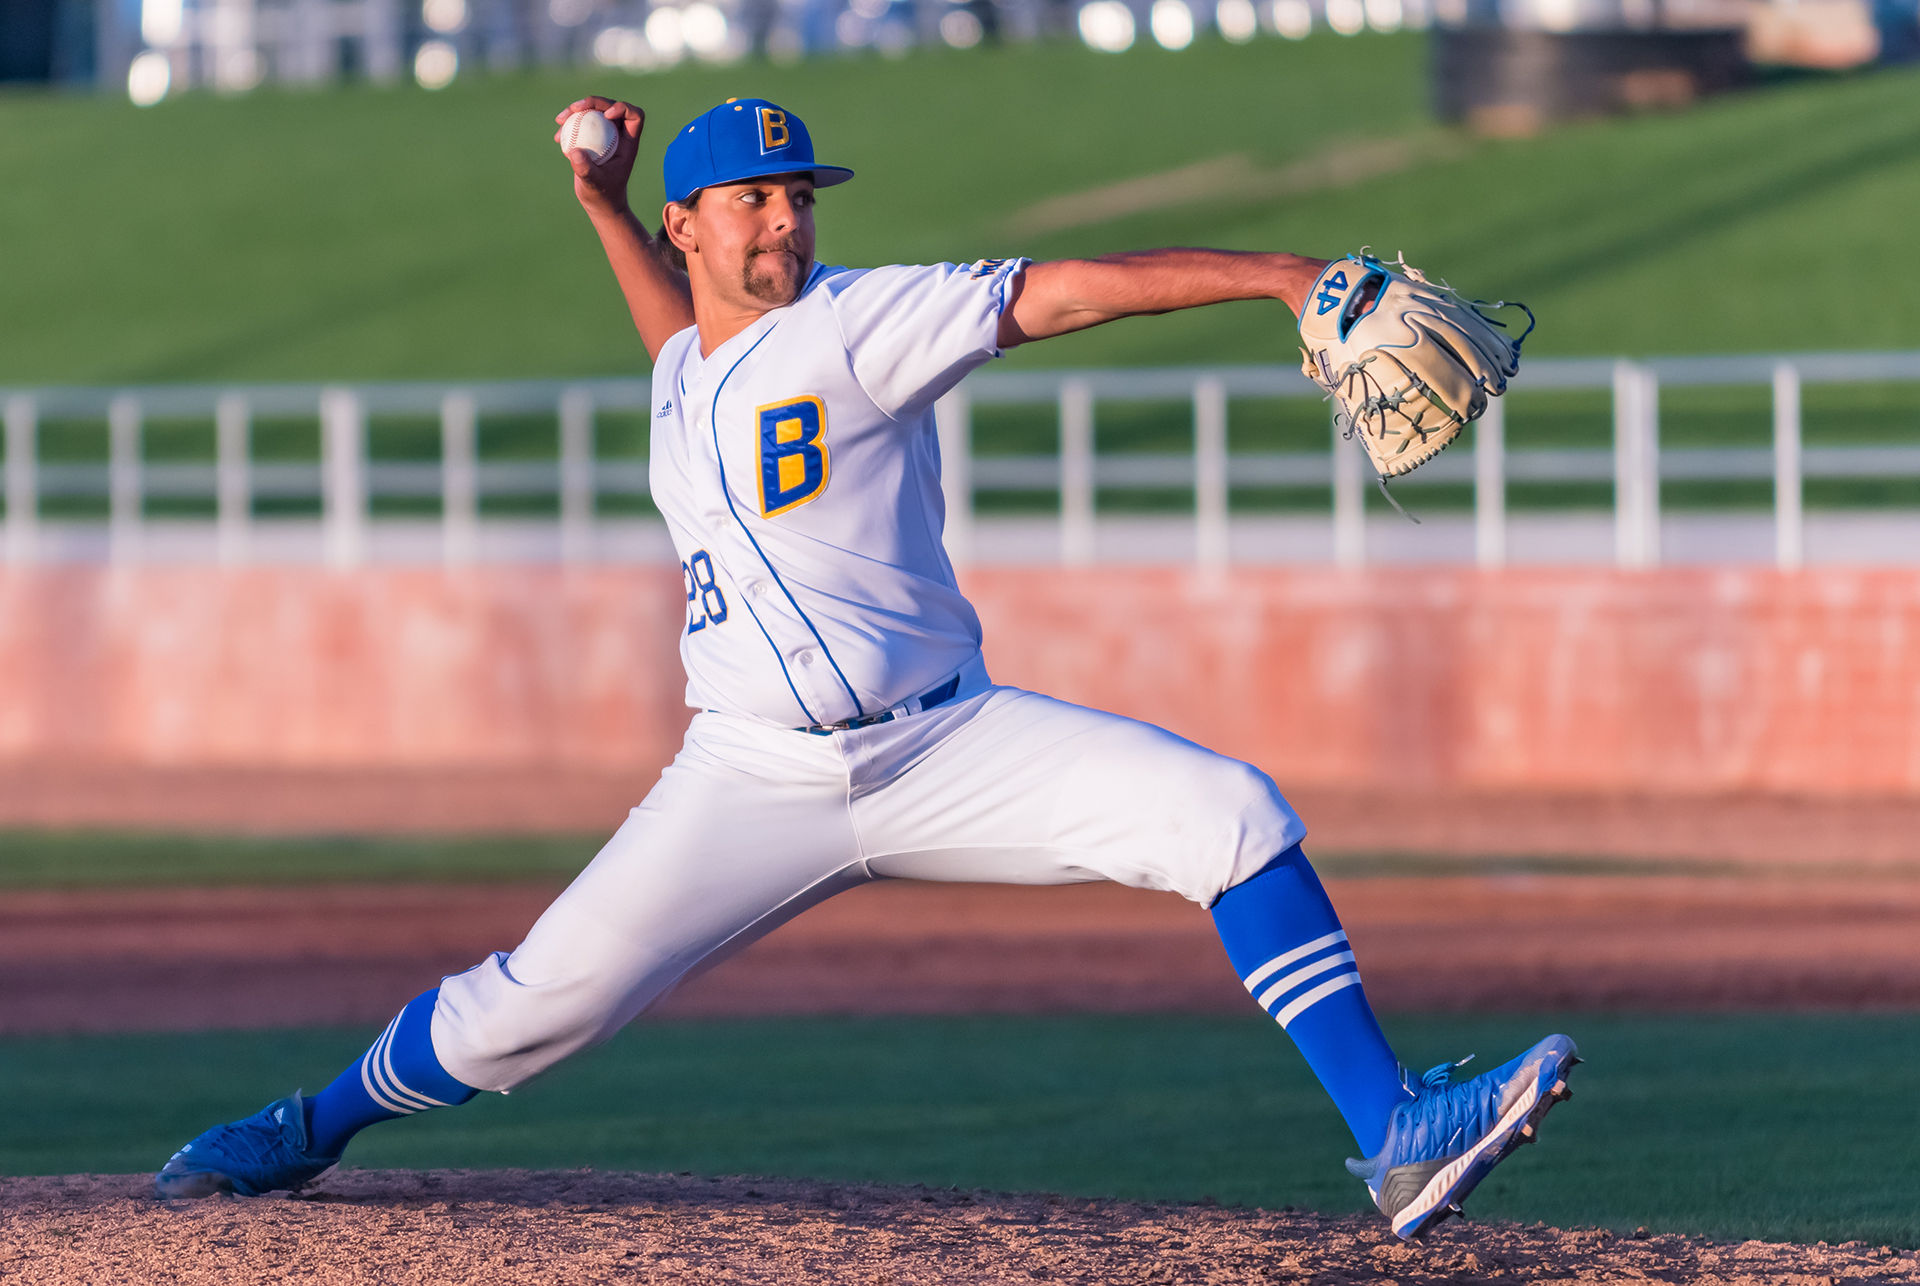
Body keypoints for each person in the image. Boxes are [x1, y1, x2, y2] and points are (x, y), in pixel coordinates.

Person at [153, 96, 1577, 1241]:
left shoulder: (859, 321)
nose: (788, 214)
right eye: (757, 198)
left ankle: (1396, 1132)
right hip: (748, 774)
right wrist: (596, 203)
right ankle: (310, 1124)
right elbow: (679, 333)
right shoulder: (683, 372)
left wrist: (1280, 278)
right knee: (531, 1004)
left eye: (802, 192)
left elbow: (1066, 293)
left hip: (946, 747)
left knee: (1234, 816)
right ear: (690, 225)